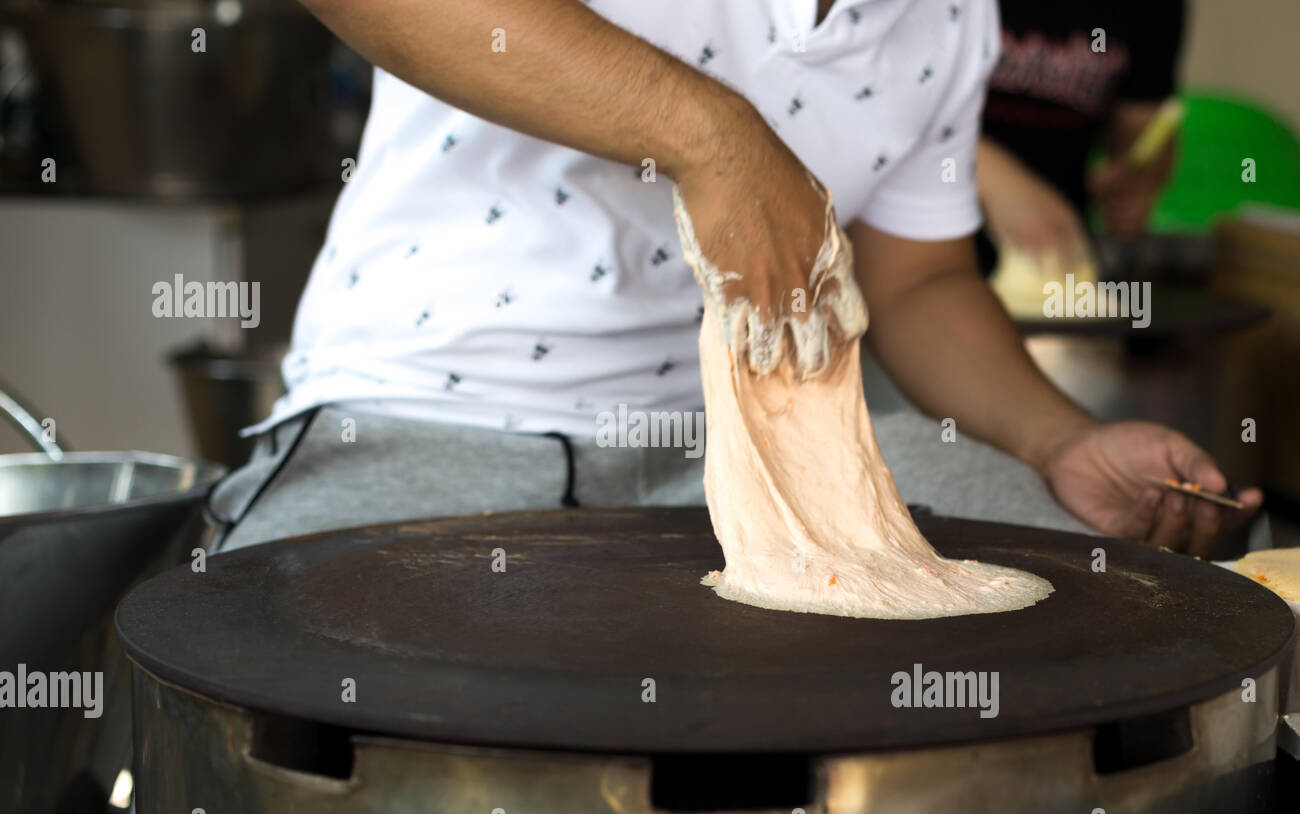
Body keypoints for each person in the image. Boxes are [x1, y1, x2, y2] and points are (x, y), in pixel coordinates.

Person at [215, 0, 1256, 562]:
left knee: (1089, 579)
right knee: (271, 677)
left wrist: (1059, 436)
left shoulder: (949, 19)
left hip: (737, 447)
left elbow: (918, 282)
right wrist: (708, 133)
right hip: (421, 415)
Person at [976, 0, 1186, 271]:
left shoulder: (1153, 8)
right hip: (928, 243)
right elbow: (905, 113)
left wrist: (1137, 175)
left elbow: (1142, 122)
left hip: (1058, 253)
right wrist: (994, 180)